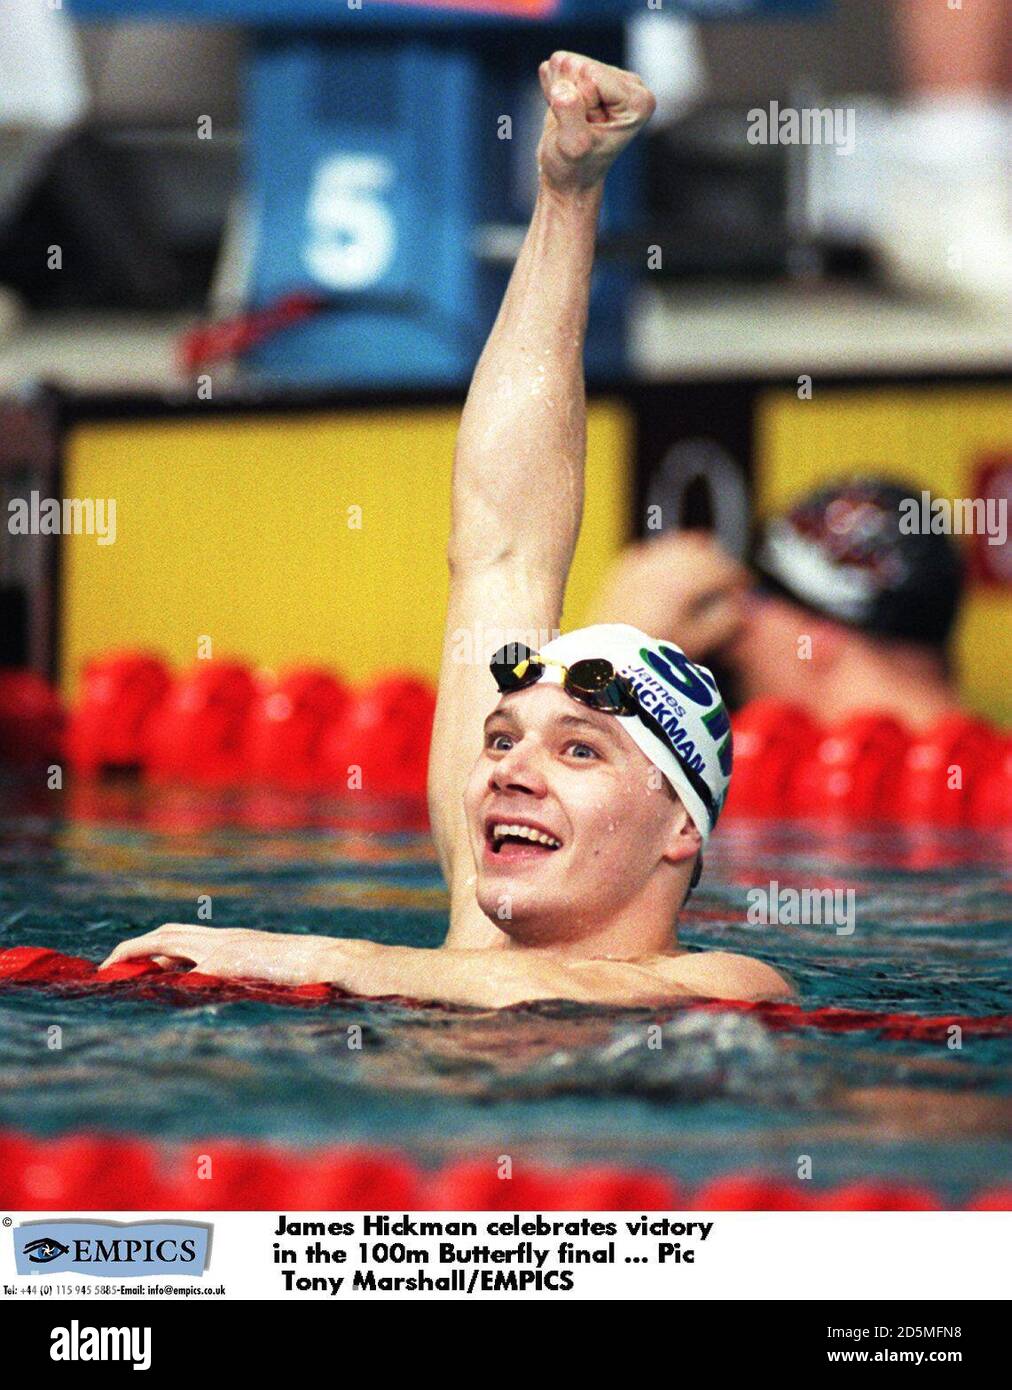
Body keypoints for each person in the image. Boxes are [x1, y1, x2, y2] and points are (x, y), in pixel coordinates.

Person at [103, 52, 792, 1008]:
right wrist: (566, 192)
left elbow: (568, 995)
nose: (510, 768)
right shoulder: (472, 942)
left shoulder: (730, 986)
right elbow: (505, 542)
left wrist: (313, 959)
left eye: (580, 748)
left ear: (680, 824)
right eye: (504, 738)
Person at [589, 478, 967, 731]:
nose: (738, 630)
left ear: (820, 637)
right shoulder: (979, 780)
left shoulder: (772, 792)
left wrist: (618, 658)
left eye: (757, 597)